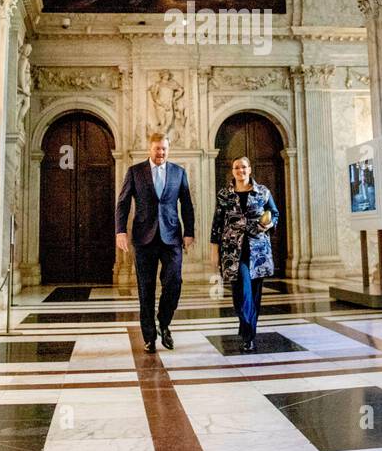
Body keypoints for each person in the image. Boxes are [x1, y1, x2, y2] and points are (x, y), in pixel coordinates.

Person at [115, 132, 194, 353]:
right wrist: (120, 231)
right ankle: (149, 336)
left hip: (171, 237)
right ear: (150, 149)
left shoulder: (179, 172)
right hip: (143, 237)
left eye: (164, 149)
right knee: (145, 288)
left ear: (169, 150)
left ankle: (164, 321)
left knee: (174, 281)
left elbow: (187, 204)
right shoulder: (135, 172)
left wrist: (189, 232)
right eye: (157, 149)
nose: (161, 153)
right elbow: (122, 203)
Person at [210, 156, 278, 352]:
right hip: (232, 249)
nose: (241, 171)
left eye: (244, 167)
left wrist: (270, 223)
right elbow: (217, 222)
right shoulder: (225, 194)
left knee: (254, 294)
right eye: (237, 168)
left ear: (250, 170)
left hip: (258, 249)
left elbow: (274, 213)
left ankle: (249, 332)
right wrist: (214, 249)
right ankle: (247, 330)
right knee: (242, 287)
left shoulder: (263, 191)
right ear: (233, 171)